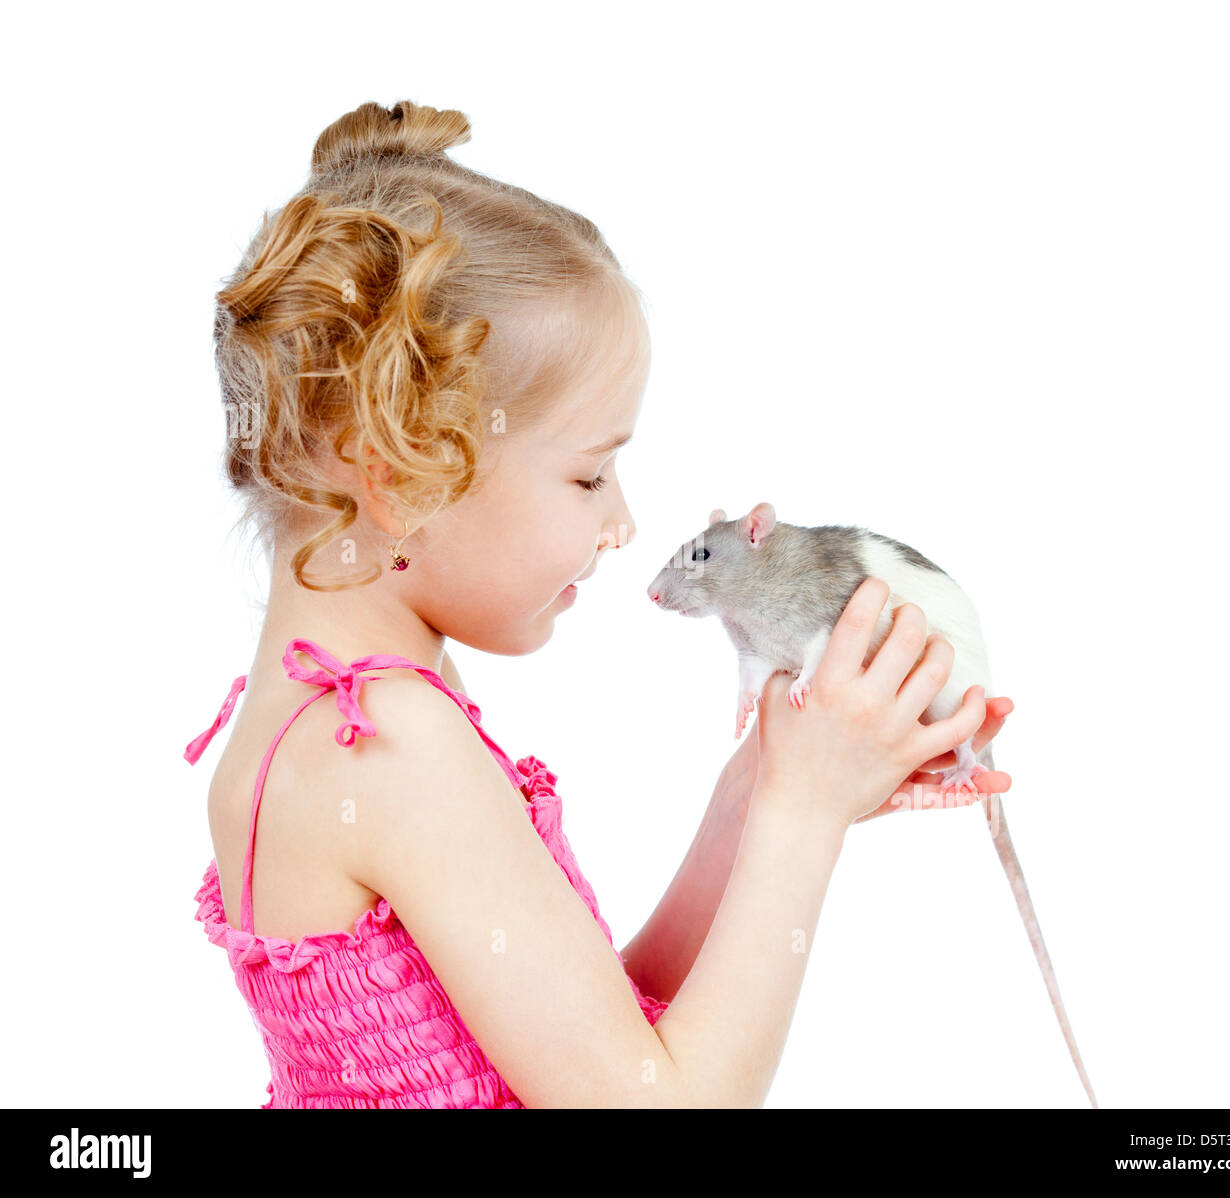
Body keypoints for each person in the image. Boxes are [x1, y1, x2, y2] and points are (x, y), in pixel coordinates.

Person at [185, 99, 1014, 1109]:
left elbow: (583, 1053)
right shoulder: (383, 743)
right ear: (396, 474)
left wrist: (758, 791)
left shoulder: (345, 714)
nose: (622, 524)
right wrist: (804, 821)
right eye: (588, 476)